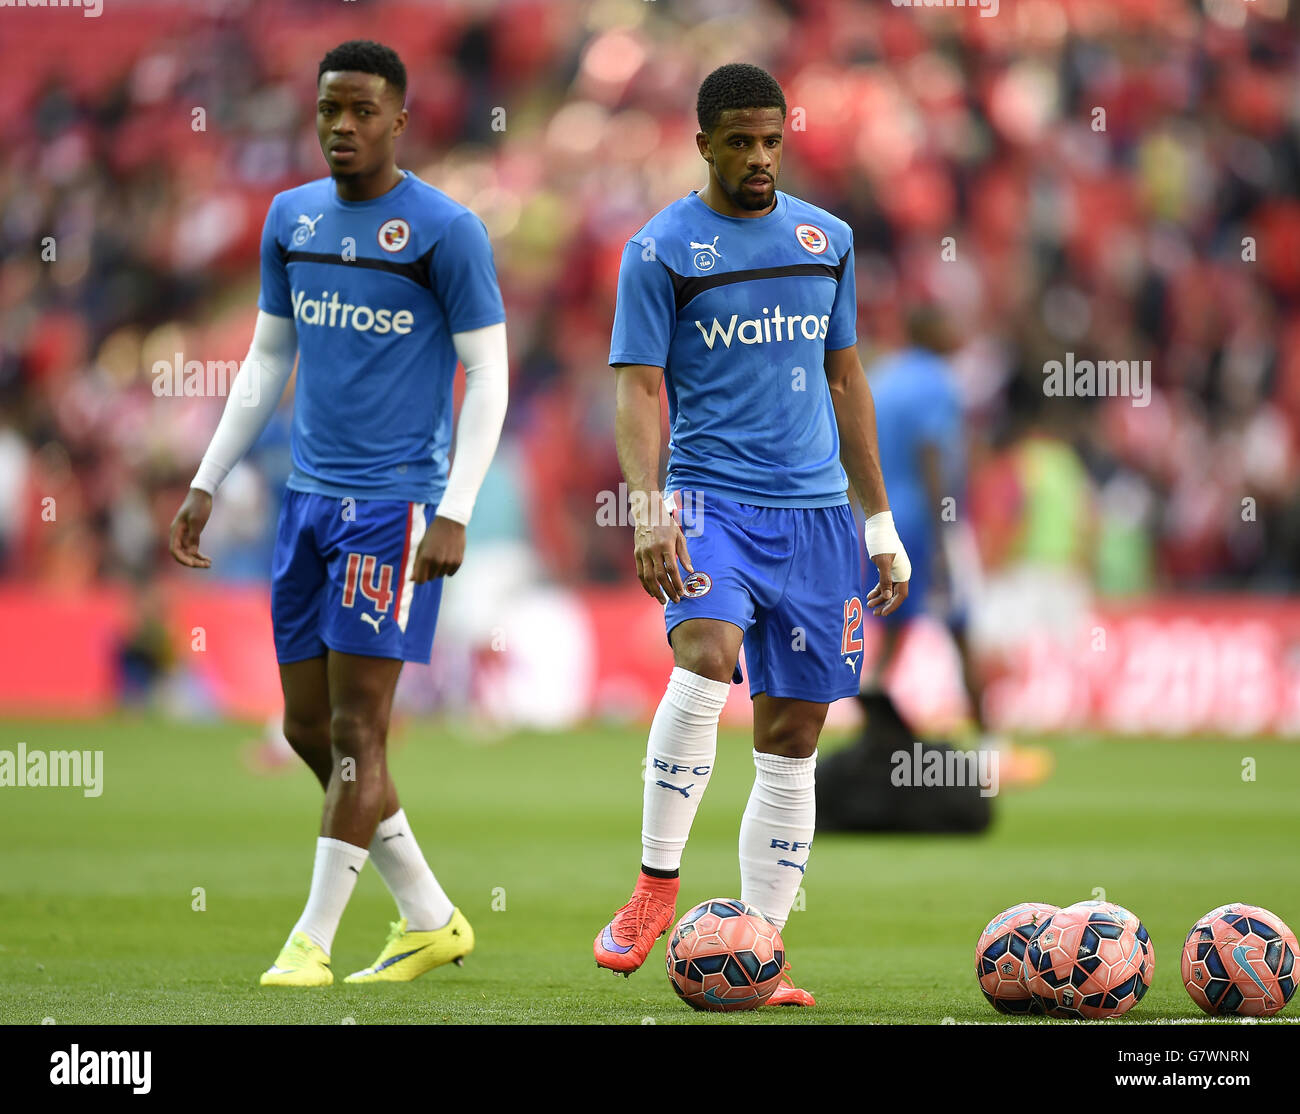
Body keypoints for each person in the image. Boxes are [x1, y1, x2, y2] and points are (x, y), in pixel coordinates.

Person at [168, 40, 509, 987]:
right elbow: (268, 361)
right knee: (305, 733)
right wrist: (206, 478)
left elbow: (489, 374)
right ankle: (430, 916)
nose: (343, 128)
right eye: (329, 111)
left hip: (395, 509)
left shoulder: (447, 230)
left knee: (360, 733)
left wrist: (456, 507)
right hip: (305, 504)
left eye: (363, 112)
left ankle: (309, 942)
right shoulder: (292, 218)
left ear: (400, 119)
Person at [596, 62, 910, 1006]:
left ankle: (760, 949)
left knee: (793, 737)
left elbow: (847, 382)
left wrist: (881, 524)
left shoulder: (828, 241)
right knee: (704, 655)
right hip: (708, 502)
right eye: (739, 141)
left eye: (772, 139)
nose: (759, 156)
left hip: (816, 517)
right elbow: (638, 389)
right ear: (703, 143)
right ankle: (656, 886)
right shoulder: (660, 251)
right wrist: (649, 508)